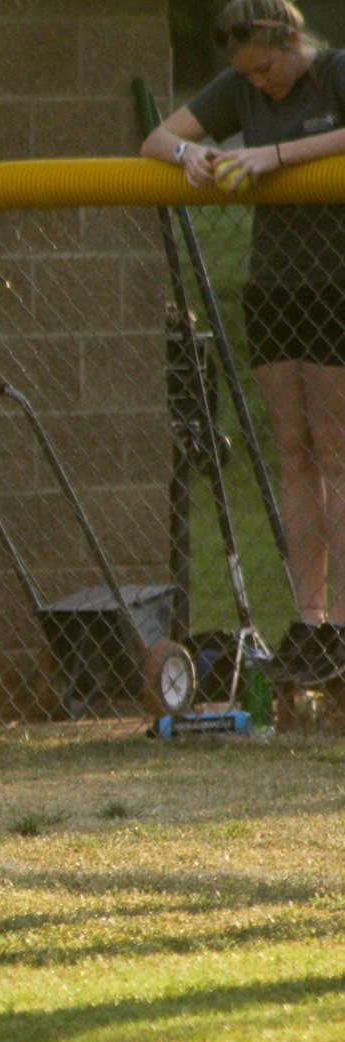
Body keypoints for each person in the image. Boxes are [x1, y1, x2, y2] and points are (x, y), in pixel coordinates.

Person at [142, 0, 345, 684]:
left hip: (333, 281)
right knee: (294, 450)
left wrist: (273, 155)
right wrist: (194, 154)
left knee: (336, 448)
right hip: (273, 285)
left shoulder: (334, 73)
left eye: (266, 68)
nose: (260, 85)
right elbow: (156, 140)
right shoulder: (240, 86)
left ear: (291, 40)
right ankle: (310, 620)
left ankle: (344, 619)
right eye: (246, 76)